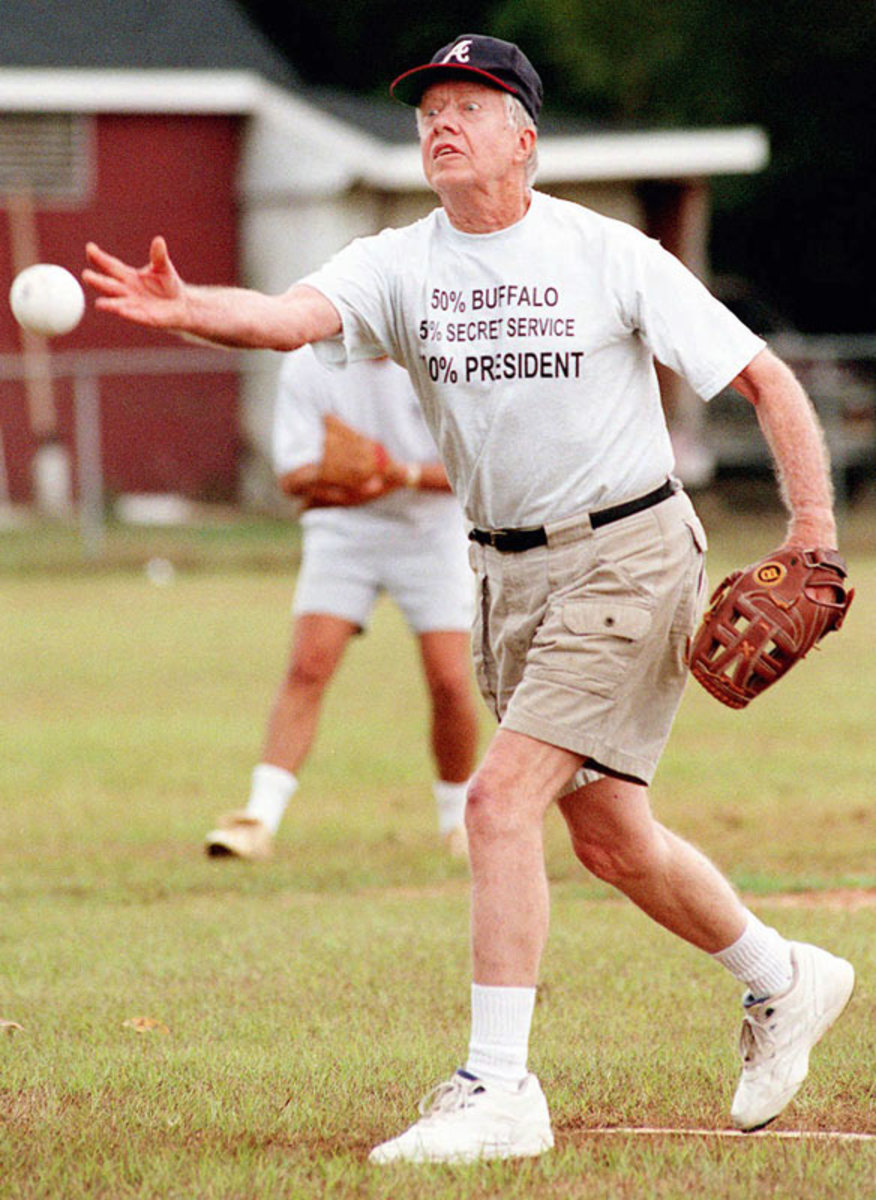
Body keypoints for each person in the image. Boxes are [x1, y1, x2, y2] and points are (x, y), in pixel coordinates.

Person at [83, 32, 855, 1164]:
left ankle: (500, 1089)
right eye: (430, 106)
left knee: (497, 804)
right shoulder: (398, 263)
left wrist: (815, 532)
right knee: (610, 839)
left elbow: (763, 377)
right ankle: (786, 976)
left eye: (470, 104)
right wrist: (187, 304)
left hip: (629, 552)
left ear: (524, 139)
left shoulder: (608, 254)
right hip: (501, 570)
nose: (442, 121)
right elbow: (289, 318)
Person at [204, 347, 479, 861]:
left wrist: (401, 474)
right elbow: (294, 478)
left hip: (432, 530)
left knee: (449, 679)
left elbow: (477, 466)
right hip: (346, 533)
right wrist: (355, 478)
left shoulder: (441, 355)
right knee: (309, 665)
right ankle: (257, 820)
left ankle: (458, 821)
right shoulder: (311, 364)